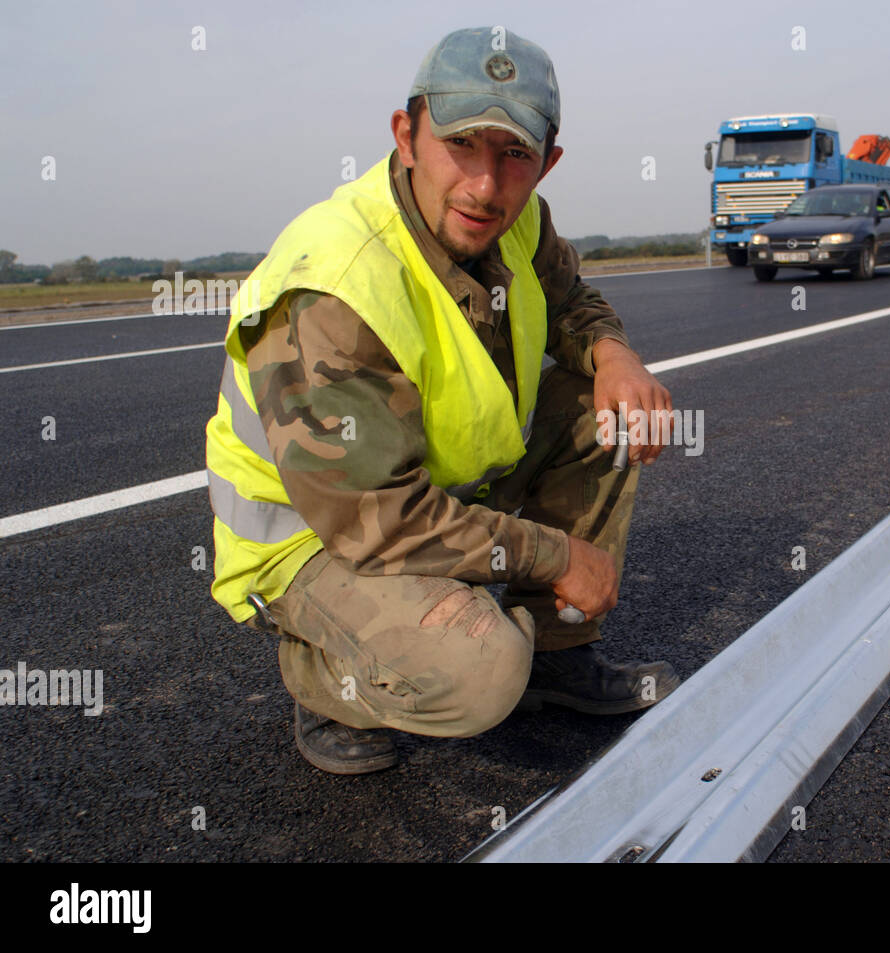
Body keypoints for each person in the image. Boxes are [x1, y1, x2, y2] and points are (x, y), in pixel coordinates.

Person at [204, 27, 680, 775]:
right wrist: (557, 556)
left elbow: (568, 300)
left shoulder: (519, 220)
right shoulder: (335, 284)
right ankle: (325, 679)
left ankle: (555, 660)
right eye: (462, 144)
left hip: (429, 490)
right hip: (315, 540)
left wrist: (614, 356)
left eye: (514, 154)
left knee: (603, 411)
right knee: (481, 671)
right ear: (406, 136)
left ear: (547, 163)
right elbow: (379, 517)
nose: (485, 186)